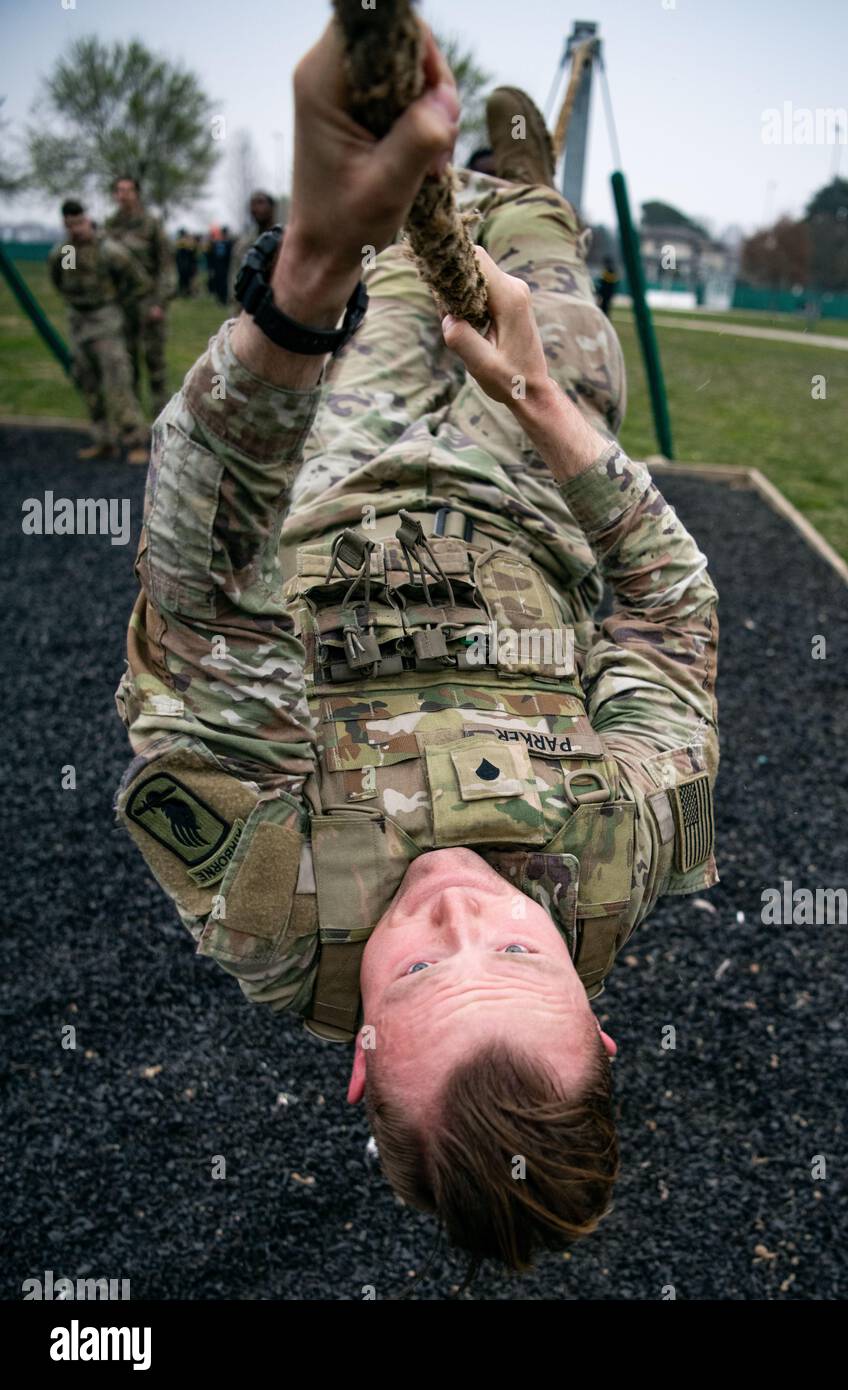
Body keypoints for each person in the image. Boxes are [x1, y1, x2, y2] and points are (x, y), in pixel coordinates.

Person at [113, 22, 719, 1273]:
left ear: (361, 1059)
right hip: (530, 480)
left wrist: (309, 271)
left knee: (395, 265)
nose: (454, 908)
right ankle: (534, 198)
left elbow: (202, 589)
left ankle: (452, 202)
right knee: (561, 308)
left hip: (344, 462)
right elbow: (671, 618)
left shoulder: (272, 904)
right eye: (510, 948)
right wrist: (547, 410)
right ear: (598, 1024)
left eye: (419, 968)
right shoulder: (620, 851)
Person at [48, 199, 151, 464]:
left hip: (105, 319)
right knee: (88, 382)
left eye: (79, 222)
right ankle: (104, 440)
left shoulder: (110, 251)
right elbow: (61, 280)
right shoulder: (66, 253)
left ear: (87, 219)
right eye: (69, 224)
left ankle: (134, 440)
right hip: (79, 322)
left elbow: (137, 282)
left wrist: (118, 306)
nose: (75, 229)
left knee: (118, 381)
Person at [106, 175, 176, 415]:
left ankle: (161, 417)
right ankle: (134, 422)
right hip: (122, 304)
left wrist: (160, 303)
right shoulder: (110, 225)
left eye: (128, 190)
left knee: (155, 363)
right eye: (119, 190)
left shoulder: (151, 224)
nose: (123, 195)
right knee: (128, 363)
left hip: (148, 302)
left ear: (136, 193)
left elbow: (166, 266)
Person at [230, 191, 278, 302]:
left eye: (260, 202)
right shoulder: (243, 246)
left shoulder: (284, 242)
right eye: (252, 204)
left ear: (272, 207)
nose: (255, 208)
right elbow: (235, 282)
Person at [174, 228, 199, 298]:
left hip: (190, 266)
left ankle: (190, 293)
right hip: (181, 266)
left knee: (190, 281)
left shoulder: (189, 242)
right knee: (182, 281)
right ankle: (183, 293)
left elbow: (193, 251)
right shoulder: (179, 243)